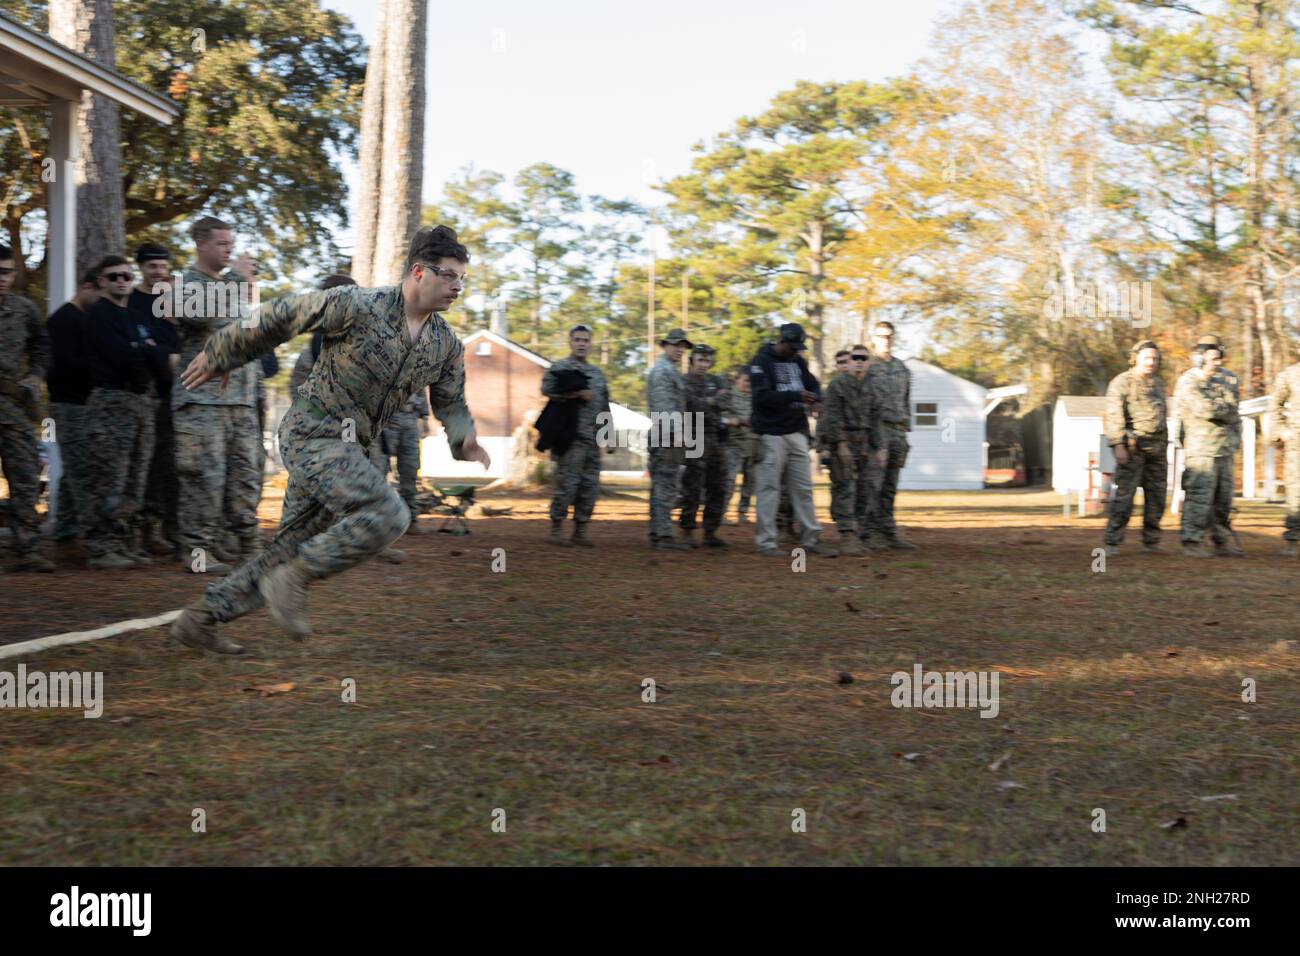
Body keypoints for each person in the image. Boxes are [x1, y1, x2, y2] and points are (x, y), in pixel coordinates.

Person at [169, 224, 490, 655]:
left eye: (462, 279)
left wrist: (465, 440)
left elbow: (451, 402)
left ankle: (201, 620)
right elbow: (284, 314)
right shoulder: (360, 304)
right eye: (448, 275)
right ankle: (295, 580)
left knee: (289, 547)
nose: (457, 287)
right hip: (311, 433)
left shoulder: (444, 345)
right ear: (418, 272)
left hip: (349, 448)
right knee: (390, 513)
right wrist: (225, 350)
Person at [171, 216, 262, 574]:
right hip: (201, 403)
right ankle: (197, 552)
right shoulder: (186, 284)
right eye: (222, 244)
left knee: (245, 477)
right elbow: (196, 315)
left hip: (239, 401)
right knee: (203, 480)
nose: (230, 250)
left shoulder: (233, 288)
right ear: (201, 244)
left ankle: (248, 545)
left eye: (231, 243)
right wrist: (238, 278)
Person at [83, 256, 169, 570]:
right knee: (110, 475)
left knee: (136, 477)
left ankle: (122, 541)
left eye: (126, 276)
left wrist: (144, 348)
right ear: (102, 282)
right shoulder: (99, 315)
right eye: (114, 276)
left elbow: (155, 352)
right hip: (111, 401)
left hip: (141, 402)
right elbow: (121, 355)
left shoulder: (134, 315)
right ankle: (100, 546)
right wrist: (144, 349)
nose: (122, 281)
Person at [749, 322, 837, 558]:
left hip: (796, 432)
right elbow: (761, 397)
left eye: (799, 348)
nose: (796, 352)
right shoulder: (761, 362)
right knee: (769, 488)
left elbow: (813, 384)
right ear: (782, 342)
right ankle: (767, 543)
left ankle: (811, 539)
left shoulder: (798, 361)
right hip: (770, 434)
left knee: (803, 488)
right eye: (793, 347)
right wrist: (794, 395)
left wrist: (817, 399)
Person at [0, 243, 54, 572]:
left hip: (10, 405)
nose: (1, 279)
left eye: (6, 273)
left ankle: (28, 547)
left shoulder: (24, 309)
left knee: (25, 475)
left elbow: (41, 344)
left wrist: (35, 375)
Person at [130, 242, 181, 556]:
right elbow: (140, 346)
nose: (158, 272)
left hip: (177, 396)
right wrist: (164, 356)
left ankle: (164, 527)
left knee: (171, 466)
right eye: (152, 267)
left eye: (163, 266)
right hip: (146, 395)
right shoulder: (133, 301)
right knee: (144, 465)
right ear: (141, 268)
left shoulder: (176, 301)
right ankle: (142, 529)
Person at [542, 323, 613, 547]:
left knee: (590, 487)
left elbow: (605, 407)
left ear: (591, 344)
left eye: (586, 340)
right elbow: (546, 390)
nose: (582, 344)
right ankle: (556, 529)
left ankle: (580, 530)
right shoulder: (559, 367)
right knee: (567, 485)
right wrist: (577, 393)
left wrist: (608, 436)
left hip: (592, 441)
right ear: (571, 342)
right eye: (578, 340)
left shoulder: (597, 374)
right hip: (570, 439)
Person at [45, 268, 100, 555]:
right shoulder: (63, 320)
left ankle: (64, 532)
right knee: (81, 472)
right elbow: (62, 366)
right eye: (99, 293)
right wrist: (101, 363)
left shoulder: (85, 320)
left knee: (73, 471)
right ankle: (92, 539)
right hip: (68, 404)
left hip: (85, 404)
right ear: (87, 286)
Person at [1173, 336, 1241, 558]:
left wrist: (1225, 411)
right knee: (1199, 496)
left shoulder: (1226, 380)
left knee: (1224, 499)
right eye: (1213, 358)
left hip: (1224, 448)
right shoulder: (1188, 382)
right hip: (1201, 449)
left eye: (1219, 358)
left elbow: (1234, 410)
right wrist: (1226, 409)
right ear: (1199, 359)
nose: (1218, 362)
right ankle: (1192, 541)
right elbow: (1206, 410)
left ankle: (1221, 542)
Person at [1101, 340, 1169, 556]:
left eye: (1155, 358)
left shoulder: (1158, 384)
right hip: (1133, 448)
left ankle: (1151, 542)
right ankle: (1112, 541)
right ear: (1136, 358)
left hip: (1157, 450)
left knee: (1157, 498)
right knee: (1124, 498)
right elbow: (1114, 415)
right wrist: (1118, 445)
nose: (1151, 362)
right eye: (1147, 358)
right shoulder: (1122, 382)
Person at [863, 322, 917, 550]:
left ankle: (888, 530)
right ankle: (869, 532)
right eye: (881, 336)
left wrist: (906, 428)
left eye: (890, 336)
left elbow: (906, 399)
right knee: (873, 483)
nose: (886, 340)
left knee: (890, 485)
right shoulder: (867, 367)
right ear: (873, 338)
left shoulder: (901, 368)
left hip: (897, 431)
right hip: (877, 431)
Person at [821, 344, 878, 556]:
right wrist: (840, 445)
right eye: (855, 358)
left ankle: (860, 533)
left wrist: (879, 447)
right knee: (844, 486)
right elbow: (832, 417)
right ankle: (846, 535)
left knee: (864, 487)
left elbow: (876, 417)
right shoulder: (837, 385)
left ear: (869, 362)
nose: (859, 361)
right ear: (850, 360)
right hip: (844, 440)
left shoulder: (872, 386)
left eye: (864, 358)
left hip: (865, 441)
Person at [679, 343, 731, 548]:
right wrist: (710, 401)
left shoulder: (715, 380)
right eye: (700, 359)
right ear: (692, 360)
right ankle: (687, 531)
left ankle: (710, 532)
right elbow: (690, 406)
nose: (703, 364)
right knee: (692, 486)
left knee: (718, 486)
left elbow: (727, 400)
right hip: (694, 436)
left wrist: (707, 402)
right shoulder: (683, 381)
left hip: (715, 437)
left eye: (707, 360)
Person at [647, 329, 692, 550]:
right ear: (665, 345)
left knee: (661, 485)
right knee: (666, 485)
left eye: (683, 346)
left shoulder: (667, 370)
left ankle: (658, 532)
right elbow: (664, 405)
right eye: (676, 345)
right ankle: (664, 536)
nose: (680, 350)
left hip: (664, 433)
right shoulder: (663, 371)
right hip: (667, 435)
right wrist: (676, 433)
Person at [1269, 359, 1300, 557]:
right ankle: (1292, 539)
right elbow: (1274, 404)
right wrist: (1281, 430)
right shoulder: (1290, 374)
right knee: (1296, 493)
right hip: (1297, 443)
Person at [723, 366, 755, 524]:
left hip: (752, 444)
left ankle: (743, 511)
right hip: (733, 444)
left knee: (750, 480)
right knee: (729, 479)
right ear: (737, 380)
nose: (748, 384)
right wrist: (735, 421)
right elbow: (722, 417)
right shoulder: (728, 395)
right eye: (745, 380)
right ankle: (721, 512)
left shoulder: (755, 397)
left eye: (751, 381)